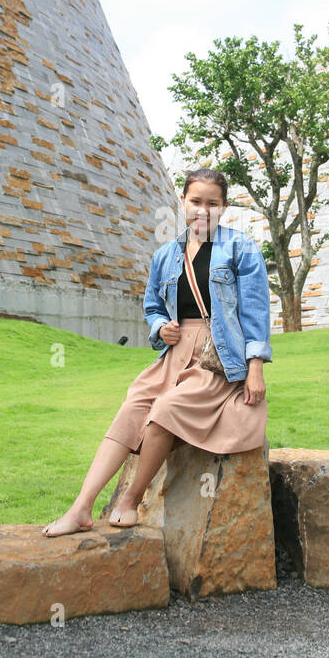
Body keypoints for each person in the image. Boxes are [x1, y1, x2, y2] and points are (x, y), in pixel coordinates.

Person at [42, 168, 272, 536]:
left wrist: (256, 366)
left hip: (219, 357)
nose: (203, 211)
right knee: (133, 406)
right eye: (196, 201)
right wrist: (159, 328)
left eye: (213, 204)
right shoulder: (166, 254)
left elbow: (256, 311)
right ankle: (81, 507)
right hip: (175, 353)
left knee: (165, 410)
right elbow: (153, 306)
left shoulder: (241, 248)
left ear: (225, 207)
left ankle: (130, 499)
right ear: (183, 202)